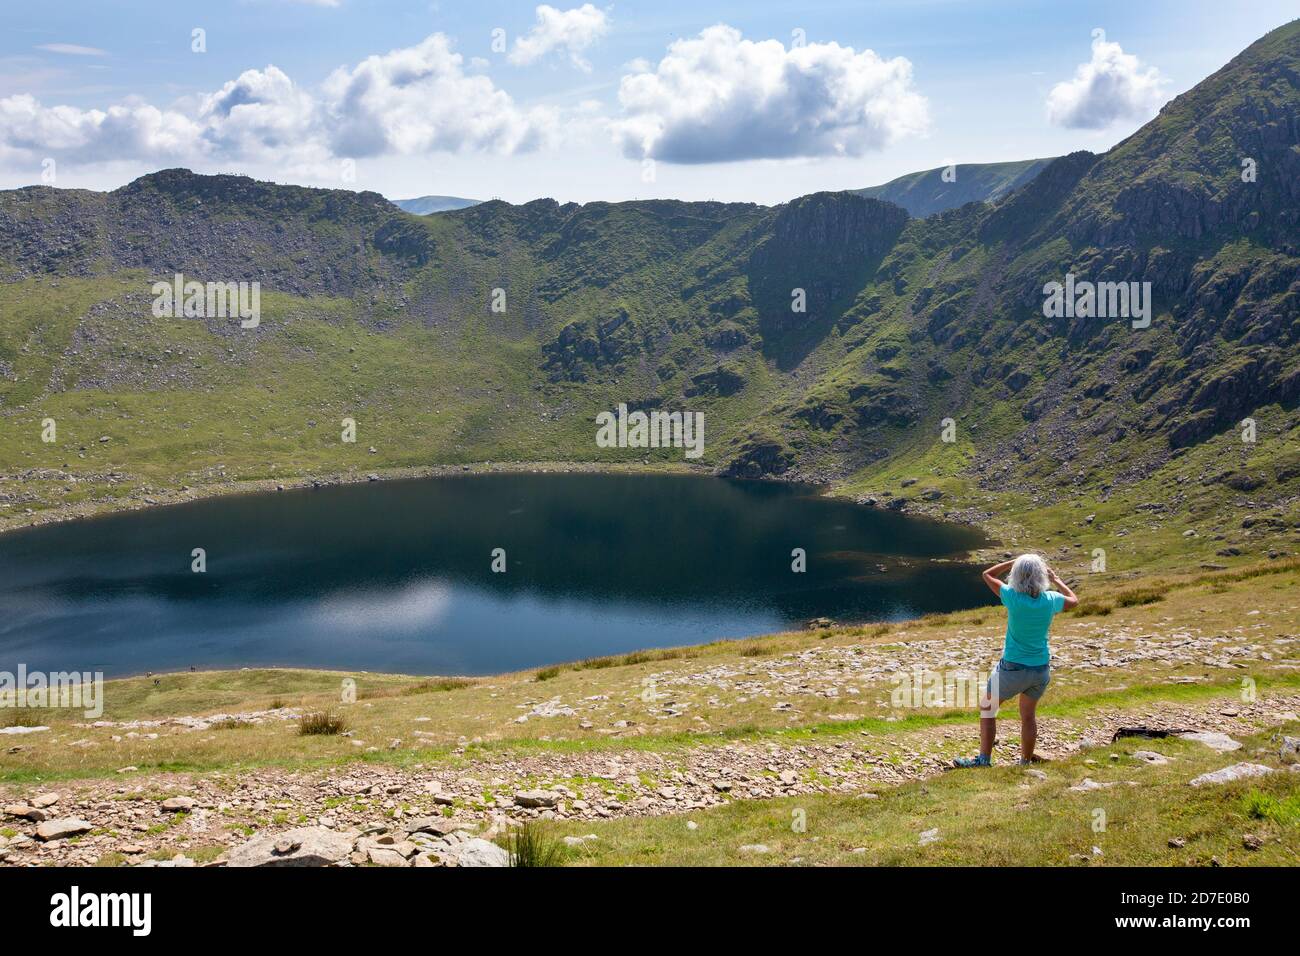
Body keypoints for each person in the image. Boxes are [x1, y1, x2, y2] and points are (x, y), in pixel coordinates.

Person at [953, 553, 1077, 767]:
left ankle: (984, 760)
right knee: (1028, 716)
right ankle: (1025, 762)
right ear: (1041, 576)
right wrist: (1057, 580)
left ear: (1017, 575)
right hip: (1040, 669)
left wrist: (1015, 561)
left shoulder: (1012, 596)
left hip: (1012, 668)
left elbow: (987, 574)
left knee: (988, 709)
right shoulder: (1051, 600)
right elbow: (1074, 601)